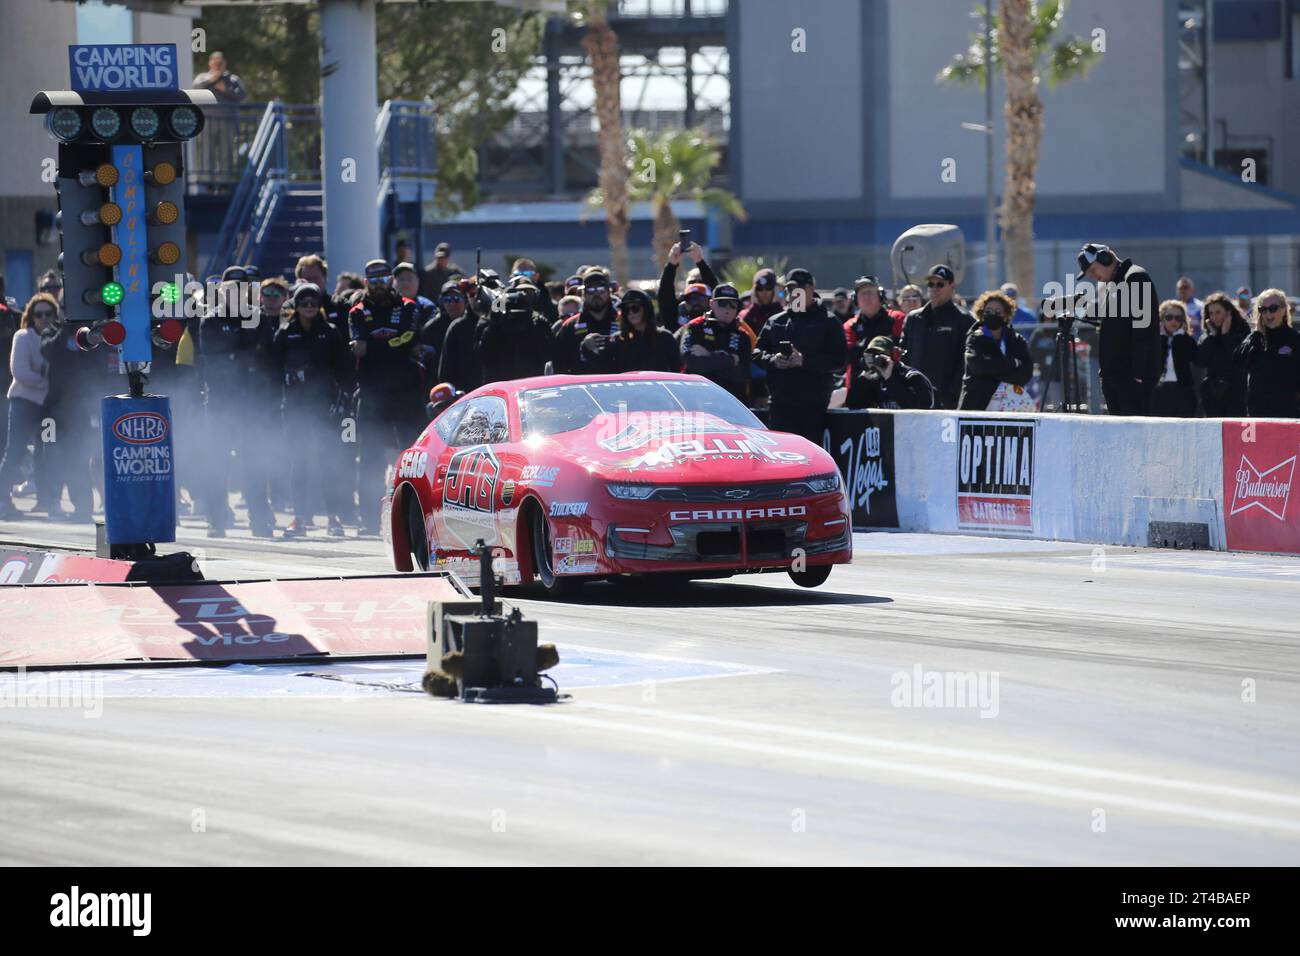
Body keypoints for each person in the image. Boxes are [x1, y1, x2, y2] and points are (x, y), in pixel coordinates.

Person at [350, 259, 426, 532]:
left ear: (391, 280)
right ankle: (369, 521)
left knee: (414, 456)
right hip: (372, 395)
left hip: (406, 393)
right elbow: (357, 348)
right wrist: (388, 345)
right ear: (366, 281)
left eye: (384, 278)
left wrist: (374, 345)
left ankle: (415, 516)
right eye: (374, 279)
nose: (380, 284)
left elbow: (409, 337)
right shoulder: (357, 311)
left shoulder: (408, 306)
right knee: (369, 457)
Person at [273, 283, 350, 538]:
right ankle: (300, 519)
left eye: (313, 303)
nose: (309, 308)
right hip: (295, 408)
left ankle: (333, 518)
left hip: (325, 407)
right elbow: (273, 373)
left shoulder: (330, 333)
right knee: (299, 464)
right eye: (303, 303)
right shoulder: (285, 334)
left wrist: (341, 400)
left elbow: (345, 370)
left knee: (329, 463)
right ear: (295, 306)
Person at [753, 268, 848, 443]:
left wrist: (804, 361)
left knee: (809, 460)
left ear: (812, 288)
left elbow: (840, 361)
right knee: (781, 457)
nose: (794, 294)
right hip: (780, 404)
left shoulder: (829, 321)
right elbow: (757, 354)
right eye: (790, 290)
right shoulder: (776, 321)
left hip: (813, 406)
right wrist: (774, 361)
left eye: (800, 289)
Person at [1076, 243, 1161, 416]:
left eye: (1093, 270)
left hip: (1131, 378)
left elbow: (1143, 329)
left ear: (1105, 258)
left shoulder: (1135, 277)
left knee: (1136, 434)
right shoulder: (1113, 285)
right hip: (1116, 377)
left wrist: (1138, 374)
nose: (1094, 277)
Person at [0, 296, 55, 519]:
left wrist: (42, 374)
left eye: (48, 314)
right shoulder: (22, 337)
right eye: (38, 314)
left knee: (47, 451)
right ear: (30, 316)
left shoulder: (56, 339)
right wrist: (46, 379)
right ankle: (3, 499)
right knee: (15, 451)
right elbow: (20, 371)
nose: (43, 318)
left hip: (47, 406)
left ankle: (47, 500)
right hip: (24, 402)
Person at [900, 265, 973, 410]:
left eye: (940, 284)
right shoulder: (914, 318)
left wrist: (951, 396)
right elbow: (904, 355)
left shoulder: (964, 320)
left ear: (952, 286)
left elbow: (965, 364)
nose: (934, 288)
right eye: (931, 284)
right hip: (915, 397)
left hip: (946, 401)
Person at [958, 290, 1034, 412]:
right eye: (988, 311)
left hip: (1010, 410)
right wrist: (1012, 364)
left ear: (1005, 315)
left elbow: (1026, 373)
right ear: (982, 313)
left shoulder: (1017, 341)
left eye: (998, 311)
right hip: (977, 406)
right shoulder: (974, 338)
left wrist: (993, 367)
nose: (992, 314)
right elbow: (979, 367)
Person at [681, 283, 753, 403]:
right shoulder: (695, 327)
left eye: (733, 304)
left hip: (732, 403)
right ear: (711, 304)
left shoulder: (743, 336)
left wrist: (707, 356)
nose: (728, 309)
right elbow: (692, 364)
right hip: (698, 401)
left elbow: (741, 375)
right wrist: (730, 360)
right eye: (723, 303)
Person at [1235, 288, 1300, 419]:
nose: (1267, 314)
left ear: (1283, 310)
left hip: (1287, 412)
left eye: (1273, 308)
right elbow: (1238, 361)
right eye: (1263, 310)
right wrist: (1256, 334)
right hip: (1258, 412)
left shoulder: (1295, 339)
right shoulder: (1255, 338)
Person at [474, 286, 554, 384]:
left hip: (531, 381)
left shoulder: (537, 324)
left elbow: (547, 354)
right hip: (500, 382)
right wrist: (494, 321)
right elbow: (483, 357)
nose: (514, 315)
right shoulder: (491, 325)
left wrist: (533, 323)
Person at [594, 288, 680, 373]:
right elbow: (605, 369)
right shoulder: (618, 340)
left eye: (635, 308)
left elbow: (677, 369)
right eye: (626, 310)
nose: (631, 313)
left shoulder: (665, 338)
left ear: (646, 309)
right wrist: (587, 349)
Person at [1194, 292, 1250, 417]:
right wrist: (1212, 336)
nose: (1214, 317)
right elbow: (1199, 361)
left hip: (1236, 393)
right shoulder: (1208, 335)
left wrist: (1225, 335)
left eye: (1218, 312)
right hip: (1212, 394)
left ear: (1228, 312)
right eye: (1211, 313)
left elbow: (1239, 357)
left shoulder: (1242, 330)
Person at [553, 268, 618, 374]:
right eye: (590, 290)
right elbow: (559, 366)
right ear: (583, 294)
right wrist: (583, 348)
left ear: (609, 292)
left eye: (601, 289)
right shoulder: (570, 326)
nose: (596, 294)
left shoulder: (623, 323)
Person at [846, 336, 935, 410]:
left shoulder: (912, 377)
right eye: (872, 356)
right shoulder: (877, 380)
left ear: (893, 355)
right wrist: (863, 377)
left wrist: (890, 379)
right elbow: (853, 404)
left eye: (881, 355)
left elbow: (920, 408)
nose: (876, 359)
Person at [1148, 300, 1199, 418]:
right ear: (1162, 319)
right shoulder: (1155, 340)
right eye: (1169, 317)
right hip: (1160, 390)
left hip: (1183, 390)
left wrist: (1179, 337)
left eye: (1178, 318)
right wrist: (1162, 338)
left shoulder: (1187, 340)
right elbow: (1154, 360)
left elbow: (1195, 359)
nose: (1173, 321)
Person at [843, 275, 898, 382]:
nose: (867, 297)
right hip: (861, 384)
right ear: (855, 299)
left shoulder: (897, 319)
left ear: (880, 296)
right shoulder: (849, 326)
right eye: (863, 293)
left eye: (870, 293)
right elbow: (849, 357)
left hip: (892, 381)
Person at [657, 242, 719, 331]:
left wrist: (700, 261)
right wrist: (671, 265)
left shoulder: (717, 316)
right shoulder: (674, 315)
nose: (696, 286)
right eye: (692, 282)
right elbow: (665, 295)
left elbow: (717, 293)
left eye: (701, 282)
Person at [739, 268, 782, 337]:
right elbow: (743, 330)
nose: (764, 292)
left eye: (768, 288)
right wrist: (754, 307)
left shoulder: (783, 312)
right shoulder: (745, 314)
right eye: (760, 288)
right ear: (755, 291)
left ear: (775, 290)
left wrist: (776, 305)